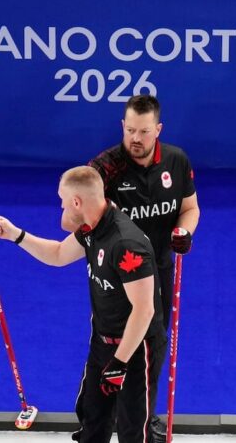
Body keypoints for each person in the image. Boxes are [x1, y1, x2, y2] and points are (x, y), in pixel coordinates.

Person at [0, 166, 166, 443]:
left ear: (76, 202)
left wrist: (120, 363)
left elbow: (144, 310)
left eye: (63, 200)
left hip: (135, 350)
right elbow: (59, 254)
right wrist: (16, 235)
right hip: (102, 341)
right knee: (92, 416)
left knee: (134, 430)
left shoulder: (125, 244)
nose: (60, 206)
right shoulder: (92, 229)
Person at [85, 94, 201, 442]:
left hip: (159, 271)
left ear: (158, 130)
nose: (135, 138)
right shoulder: (104, 168)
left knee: (151, 349)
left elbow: (190, 208)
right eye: (130, 129)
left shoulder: (177, 161)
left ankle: (140, 421)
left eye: (144, 131)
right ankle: (97, 424)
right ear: (123, 126)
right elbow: (77, 216)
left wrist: (184, 231)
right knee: (111, 349)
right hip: (116, 277)